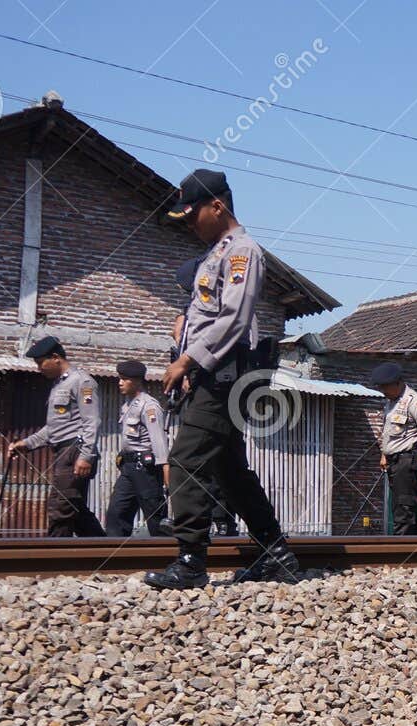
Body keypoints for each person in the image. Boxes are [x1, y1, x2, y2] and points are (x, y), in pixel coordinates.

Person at [145, 169, 299, 590]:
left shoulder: (242, 252)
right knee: (228, 469)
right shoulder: (216, 254)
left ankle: (191, 561)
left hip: (225, 378)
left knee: (185, 460)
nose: (190, 225)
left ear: (218, 206)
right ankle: (277, 555)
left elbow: (234, 318)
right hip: (213, 376)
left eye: (193, 215)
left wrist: (186, 362)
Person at [8, 336, 105, 537]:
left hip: (75, 451)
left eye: (40, 363)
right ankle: (105, 549)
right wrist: (27, 444)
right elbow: (54, 428)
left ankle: (53, 551)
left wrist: (86, 456)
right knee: (75, 511)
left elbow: (92, 421)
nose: (39, 368)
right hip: (64, 452)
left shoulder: (82, 381)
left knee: (61, 506)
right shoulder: (59, 385)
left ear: (55, 357)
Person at [171, 258, 239, 539]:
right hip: (198, 386)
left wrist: (188, 365)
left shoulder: (223, 308)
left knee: (192, 458)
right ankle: (268, 540)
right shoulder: (190, 315)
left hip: (219, 384)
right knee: (225, 462)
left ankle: (204, 528)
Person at [370, 361, 417, 534]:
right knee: (410, 504)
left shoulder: (415, 402)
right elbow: (389, 431)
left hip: (409, 461)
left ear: (397, 383)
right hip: (395, 462)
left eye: (385, 387)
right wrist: (384, 454)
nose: (383, 391)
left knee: (404, 506)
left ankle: (400, 546)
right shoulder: (391, 403)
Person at [104, 360, 171, 537]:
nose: (120, 382)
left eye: (124, 379)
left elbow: (159, 440)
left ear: (137, 381)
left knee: (156, 518)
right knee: (116, 515)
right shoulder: (127, 405)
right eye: (120, 378)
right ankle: (117, 553)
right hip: (128, 468)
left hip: (146, 469)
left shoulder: (149, 406)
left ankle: (167, 551)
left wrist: (166, 470)